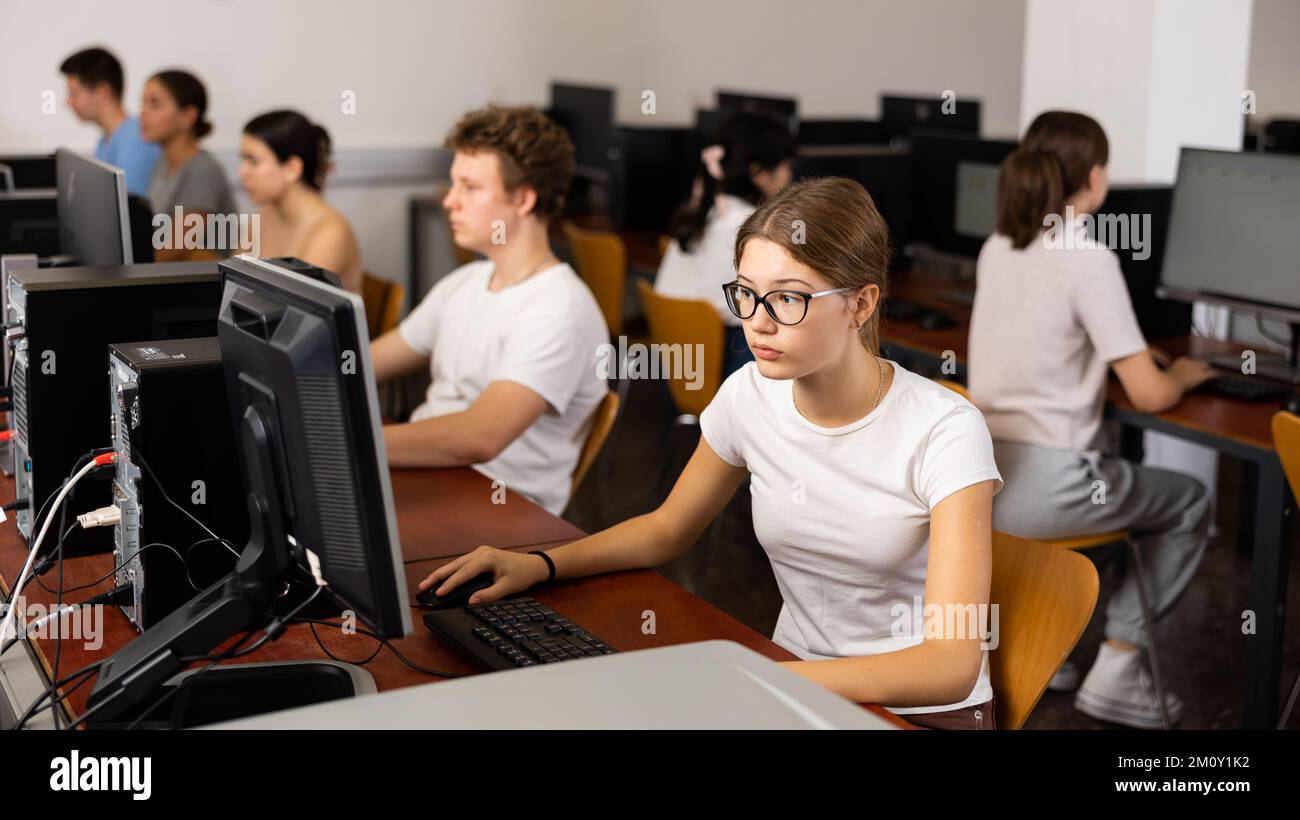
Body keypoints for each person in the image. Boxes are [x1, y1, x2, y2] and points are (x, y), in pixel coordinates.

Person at [419, 177, 1005, 729]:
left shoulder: (945, 429)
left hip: (918, 709)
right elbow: (668, 528)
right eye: (746, 295)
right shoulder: (750, 394)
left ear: (861, 304)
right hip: (792, 677)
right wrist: (542, 563)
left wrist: (768, 679)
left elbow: (948, 664)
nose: (757, 322)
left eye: (788, 300)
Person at [967, 110, 1215, 729]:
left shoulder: (997, 246)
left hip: (979, 476)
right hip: (1051, 485)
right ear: (1097, 178)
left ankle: (1056, 649)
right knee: (1188, 501)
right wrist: (1180, 374)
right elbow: (1152, 394)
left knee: (1114, 489)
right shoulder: (1087, 256)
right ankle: (1119, 663)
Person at [369, 105, 607, 516]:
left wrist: (353, 444)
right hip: (438, 479)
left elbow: (480, 436)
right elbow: (365, 363)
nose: (450, 202)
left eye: (469, 187)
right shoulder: (464, 283)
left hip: (499, 512)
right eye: (452, 185)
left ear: (524, 198)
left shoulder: (559, 308)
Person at [656, 112, 795, 379]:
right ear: (758, 173)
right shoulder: (752, 226)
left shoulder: (699, 210)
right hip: (715, 361)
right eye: (786, 165)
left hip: (678, 361)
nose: (789, 176)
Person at [239, 110, 363, 293]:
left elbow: (293, 309)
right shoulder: (264, 216)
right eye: (242, 160)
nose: (242, 173)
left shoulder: (331, 232)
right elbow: (233, 282)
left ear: (292, 169)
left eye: (253, 161)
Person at [139, 69, 236, 259]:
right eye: (143, 103)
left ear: (187, 116)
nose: (142, 113)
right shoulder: (162, 162)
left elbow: (175, 250)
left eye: (155, 104)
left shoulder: (203, 171)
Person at [59, 46, 159, 195]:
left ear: (103, 94)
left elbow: (129, 211)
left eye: (74, 94)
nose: (68, 102)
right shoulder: (106, 140)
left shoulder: (134, 141)